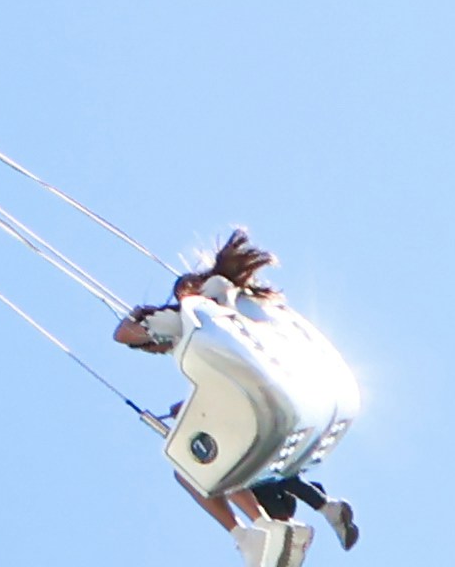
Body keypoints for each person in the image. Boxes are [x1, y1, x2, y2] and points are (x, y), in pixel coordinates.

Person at [110, 236, 360, 555]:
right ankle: (322, 507)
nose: (161, 350)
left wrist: (137, 315)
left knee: (193, 463)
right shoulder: (242, 305)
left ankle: (257, 531)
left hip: (255, 402)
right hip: (274, 392)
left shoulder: (191, 315)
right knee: (263, 458)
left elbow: (123, 335)